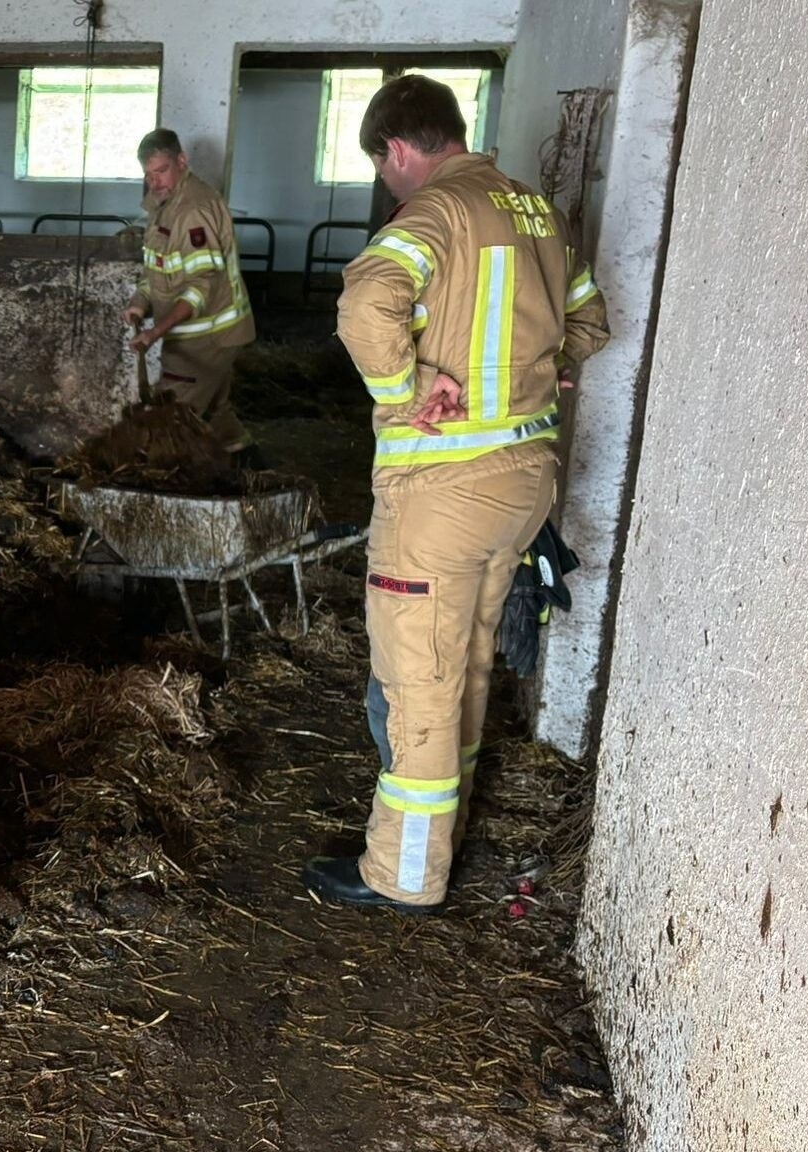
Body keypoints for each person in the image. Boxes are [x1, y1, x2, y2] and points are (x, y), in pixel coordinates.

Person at [303, 74, 609, 913]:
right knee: (465, 665)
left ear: (396, 150)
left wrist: (407, 388)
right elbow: (587, 320)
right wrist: (539, 373)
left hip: (441, 494)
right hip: (521, 483)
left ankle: (402, 874)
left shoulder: (436, 212)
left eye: (382, 168)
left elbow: (366, 303)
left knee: (419, 683)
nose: (389, 184)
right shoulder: (534, 212)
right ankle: (442, 836)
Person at [125, 128, 260, 466]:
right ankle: (247, 468)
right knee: (214, 410)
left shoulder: (193, 211)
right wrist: (140, 303)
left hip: (208, 335)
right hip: (199, 333)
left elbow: (202, 284)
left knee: (171, 415)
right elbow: (157, 271)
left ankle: (172, 485)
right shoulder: (163, 206)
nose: (155, 182)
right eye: (148, 174)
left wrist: (157, 331)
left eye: (162, 170)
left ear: (181, 161)